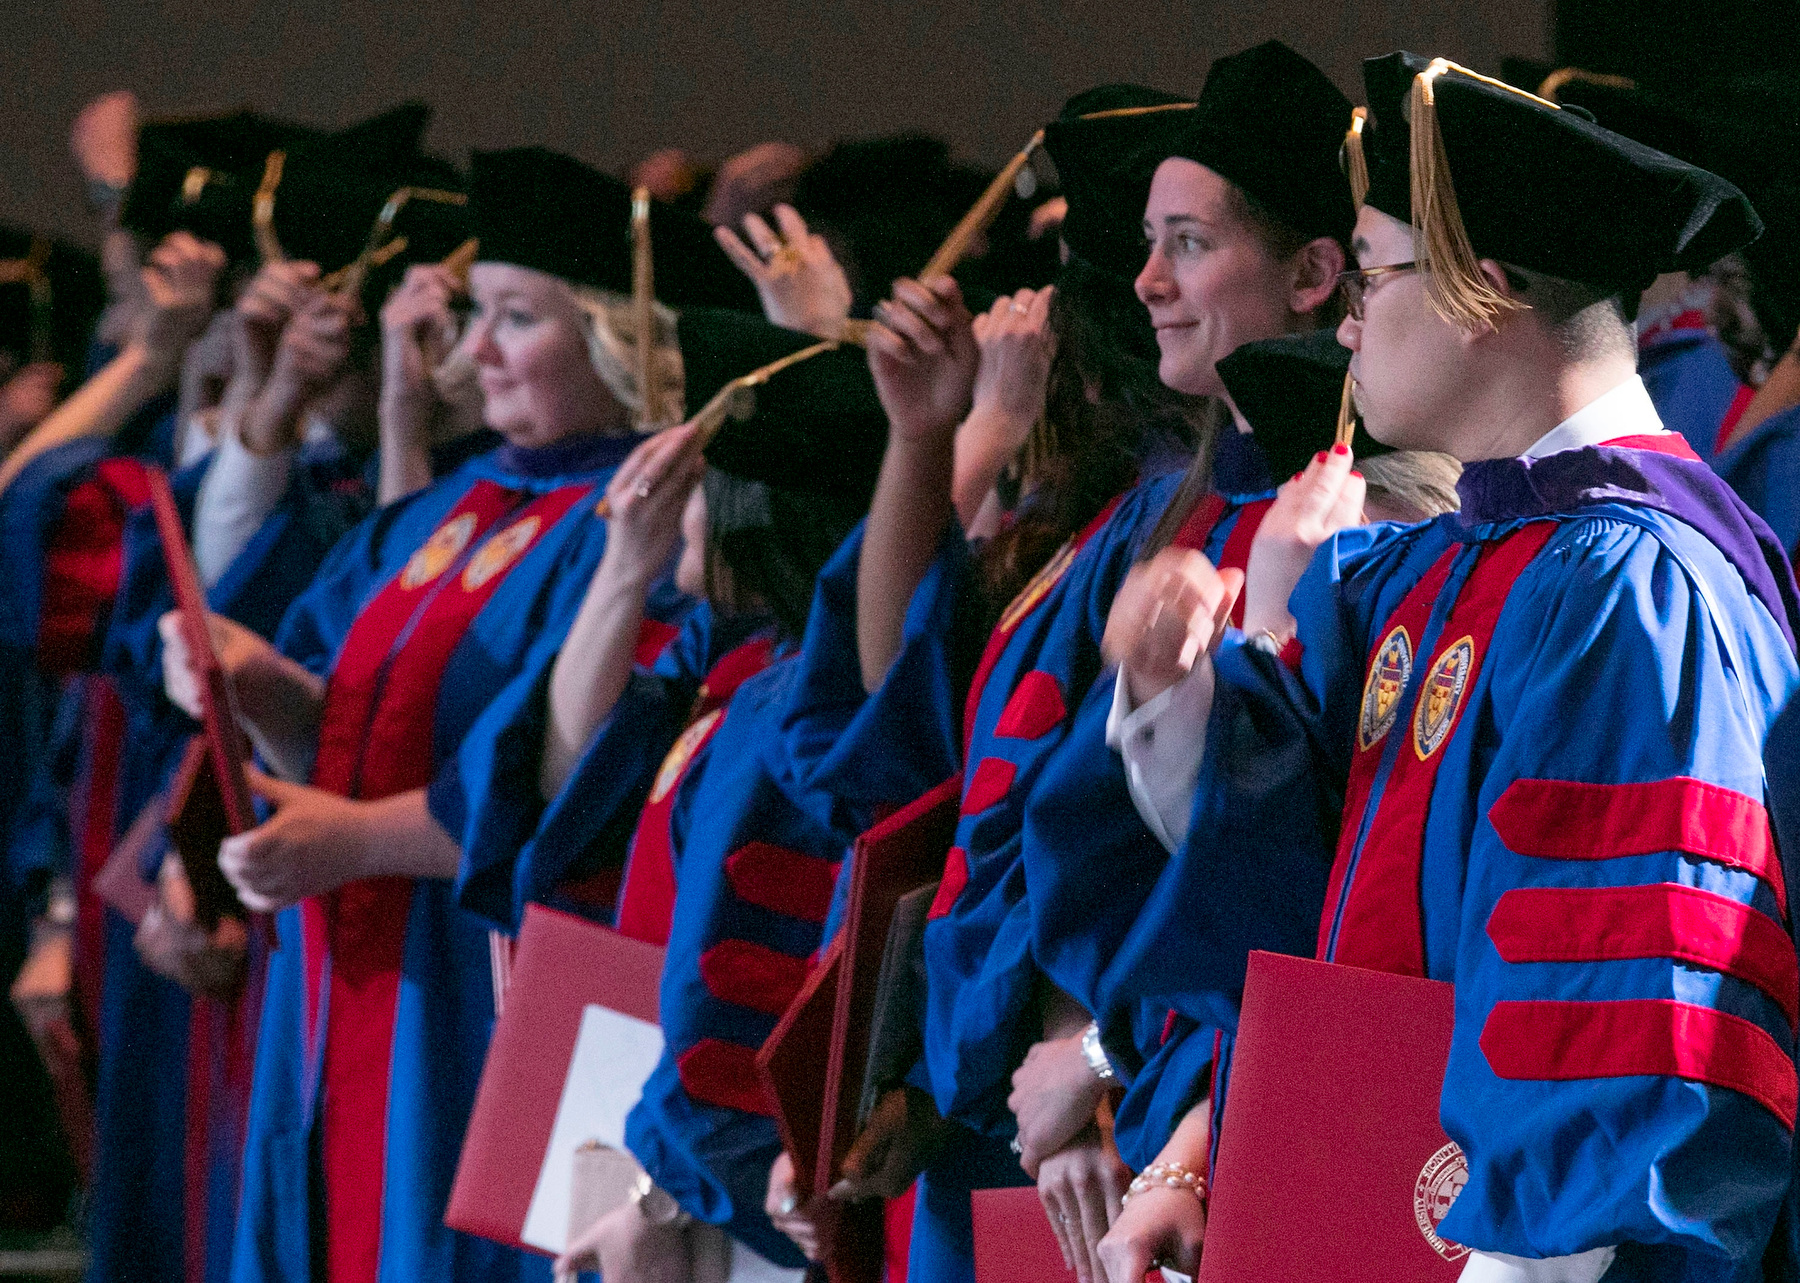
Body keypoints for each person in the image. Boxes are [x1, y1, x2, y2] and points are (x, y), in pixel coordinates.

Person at [1093, 54, 1800, 1283]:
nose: (1349, 319)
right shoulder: (1441, 566)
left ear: (1484, 288)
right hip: (1371, 1217)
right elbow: (1292, 867)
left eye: (1371, 275)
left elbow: (1619, 1012)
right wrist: (1174, 689)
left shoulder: (1629, 588)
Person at [772, 47, 1352, 1283]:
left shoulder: (1345, 525)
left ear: (1318, 274)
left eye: (1187, 243)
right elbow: (975, 778)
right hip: (1041, 1110)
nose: (1145, 282)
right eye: (1145, 244)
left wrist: (1100, 1056)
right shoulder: (1152, 518)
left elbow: (1288, 877)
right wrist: (992, 1054)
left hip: (1167, 1132)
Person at [157, 145, 746, 1283]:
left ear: (618, 336)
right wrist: (255, 679)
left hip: (477, 982)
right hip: (340, 972)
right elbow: (343, 726)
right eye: (476, 312)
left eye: (516, 317)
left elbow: (587, 780)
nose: (472, 351)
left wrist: (358, 839)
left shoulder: (645, 525)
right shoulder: (454, 504)